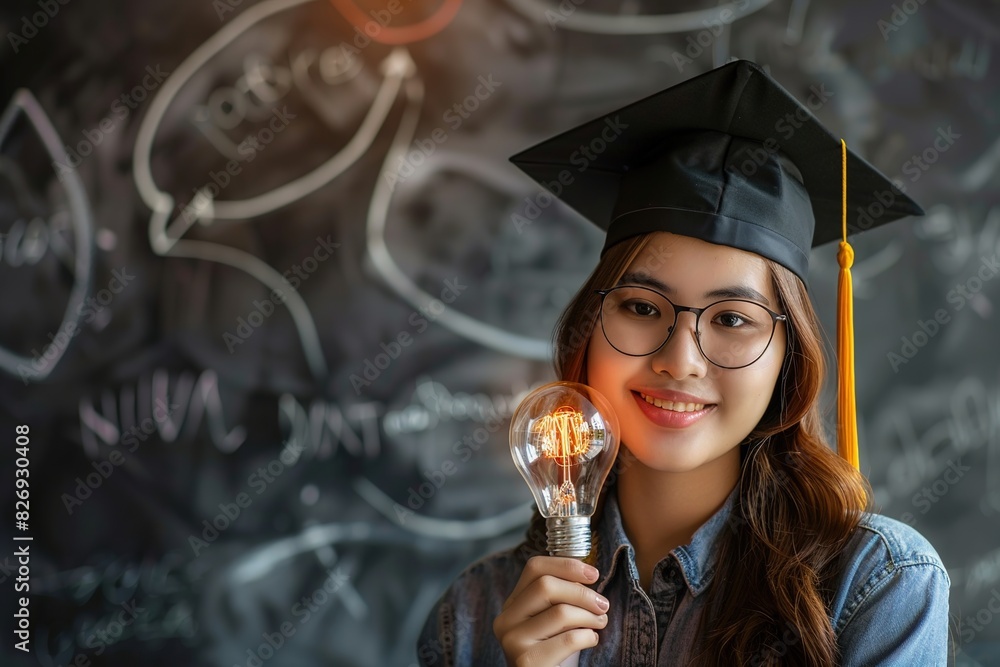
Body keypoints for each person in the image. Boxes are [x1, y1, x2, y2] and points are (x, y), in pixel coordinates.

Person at [416, 60, 951, 666]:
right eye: (642, 307)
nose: (679, 360)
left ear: (788, 355)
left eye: (731, 319)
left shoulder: (874, 588)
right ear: (588, 329)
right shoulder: (474, 617)